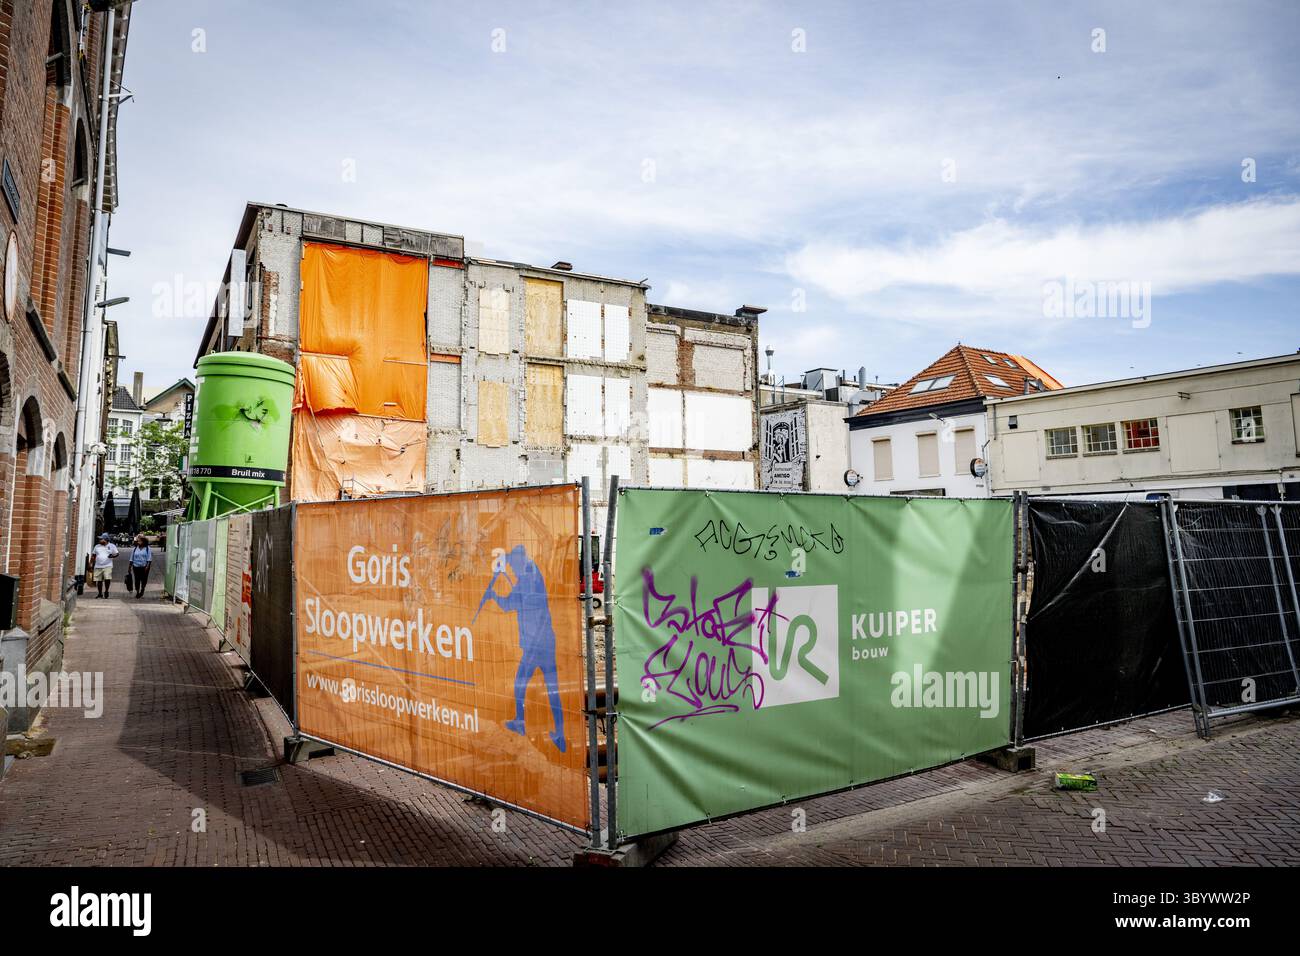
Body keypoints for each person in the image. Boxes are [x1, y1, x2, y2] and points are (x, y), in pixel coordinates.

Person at [481, 545, 566, 753]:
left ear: (519, 561)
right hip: (546, 640)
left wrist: (493, 595)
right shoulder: (533, 575)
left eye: (512, 564)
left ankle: (520, 721)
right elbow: (514, 602)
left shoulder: (527, 580)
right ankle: (560, 733)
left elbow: (509, 604)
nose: (511, 567)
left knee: (520, 683)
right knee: (552, 688)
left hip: (535, 643)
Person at [91, 533, 118, 599]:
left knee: (107, 579)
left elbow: (117, 553)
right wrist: (90, 564)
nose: (99, 540)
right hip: (98, 565)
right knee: (99, 581)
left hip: (108, 565)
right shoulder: (97, 546)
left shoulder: (112, 546)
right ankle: (100, 593)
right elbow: (93, 556)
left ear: (106, 540)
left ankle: (106, 591)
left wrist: (112, 556)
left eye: (101, 539)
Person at [129, 534, 152, 599]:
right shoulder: (135, 549)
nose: (138, 542)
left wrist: (147, 566)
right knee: (137, 580)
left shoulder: (147, 549)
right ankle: (137, 591)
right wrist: (129, 567)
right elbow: (131, 558)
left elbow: (149, 559)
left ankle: (142, 589)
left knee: (144, 580)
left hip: (144, 567)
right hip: (136, 566)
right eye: (137, 541)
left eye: (139, 541)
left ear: (143, 541)